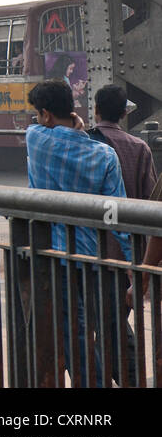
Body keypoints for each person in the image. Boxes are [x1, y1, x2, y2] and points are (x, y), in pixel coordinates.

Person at [25, 80, 134, 386]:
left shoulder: (36, 139)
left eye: (37, 114)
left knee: (72, 336)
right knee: (88, 329)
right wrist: (132, 265)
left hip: (51, 254)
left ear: (45, 114)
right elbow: (119, 213)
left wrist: (72, 128)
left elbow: (42, 129)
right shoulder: (105, 156)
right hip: (92, 255)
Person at [90, 84, 157, 200]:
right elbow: (152, 195)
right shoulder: (140, 148)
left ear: (96, 109)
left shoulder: (86, 141)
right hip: (129, 216)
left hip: (90, 215)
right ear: (124, 113)